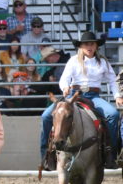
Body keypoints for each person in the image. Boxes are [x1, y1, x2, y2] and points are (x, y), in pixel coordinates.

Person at [38, 32, 121, 171]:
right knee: (46, 116)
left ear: (96, 46)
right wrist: (65, 88)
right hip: (73, 95)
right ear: (81, 46)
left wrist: (117, 96)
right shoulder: (73, 60)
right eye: (86, 44)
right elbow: (64, 79)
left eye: (92, 44)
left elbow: (113, 80)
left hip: (93, 96)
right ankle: (46, 156)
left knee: (113, 114)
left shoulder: (103, 62)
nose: (89, 46)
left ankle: (110, 154)